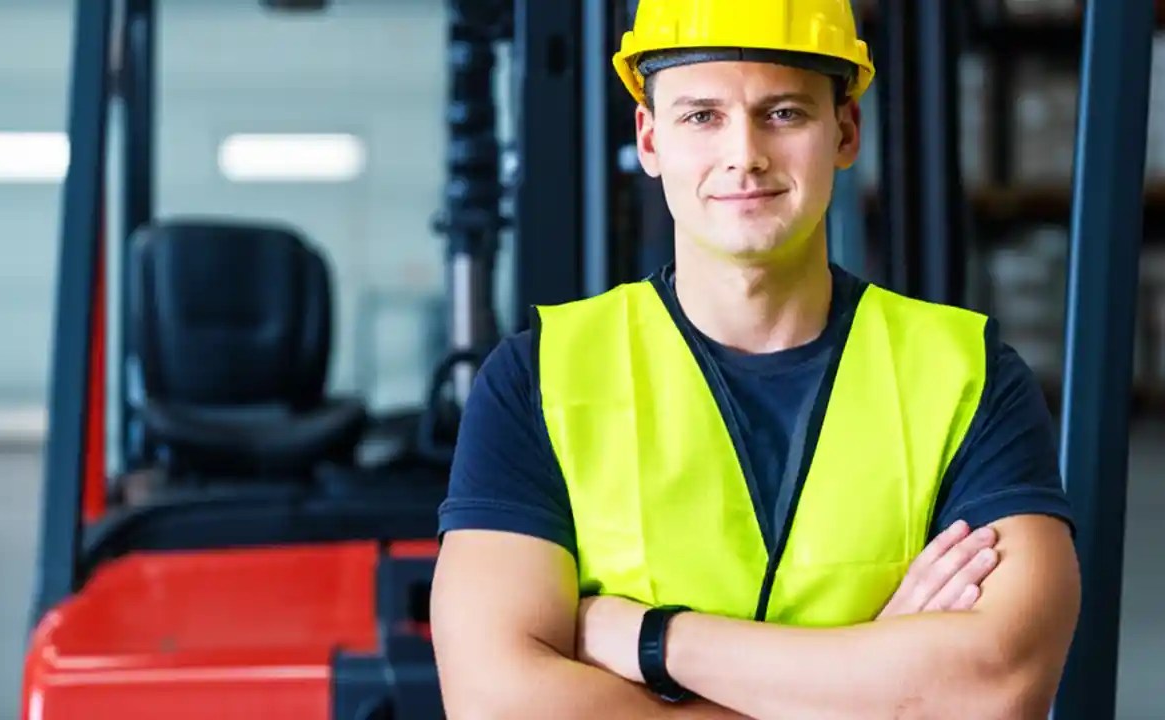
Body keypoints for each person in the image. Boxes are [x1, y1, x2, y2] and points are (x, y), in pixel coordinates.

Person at [431, 0, 1080, 717]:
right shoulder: (540, 379)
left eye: (783, 114)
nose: (744, 153)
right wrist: (874, 688)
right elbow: (495, 704)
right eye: (701, 116)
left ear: (846, 130)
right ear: (650, 138)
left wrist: (655, 642)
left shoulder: (967, 375)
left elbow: (996, 687)